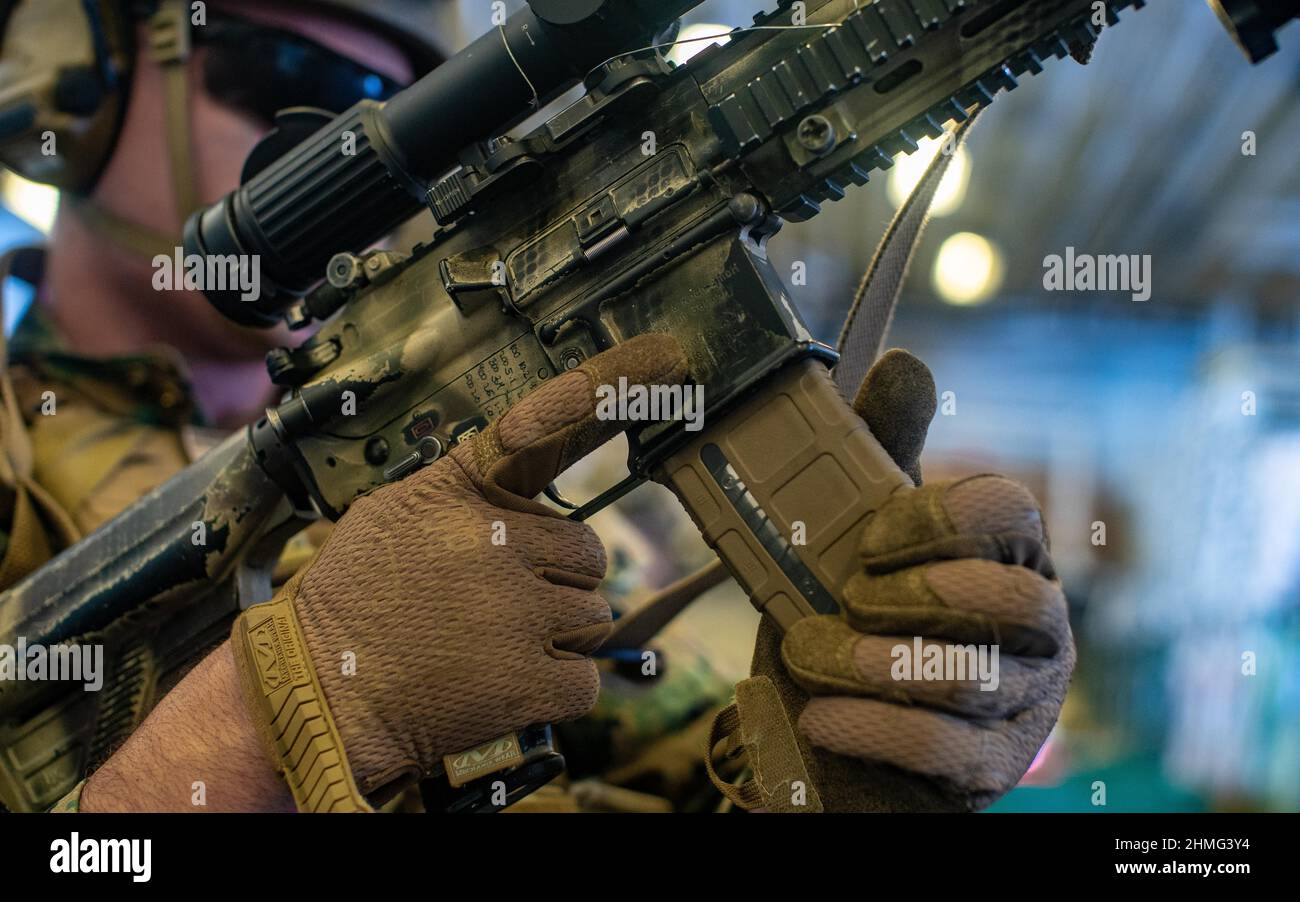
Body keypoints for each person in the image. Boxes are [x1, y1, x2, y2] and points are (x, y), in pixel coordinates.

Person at [2, 0, 1074, 813]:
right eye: (286, 71)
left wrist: (834, 762)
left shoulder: (601, 516)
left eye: (398, 117)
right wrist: (285, 706)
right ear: (67, 81)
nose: (343, 148)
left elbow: (684, 775)